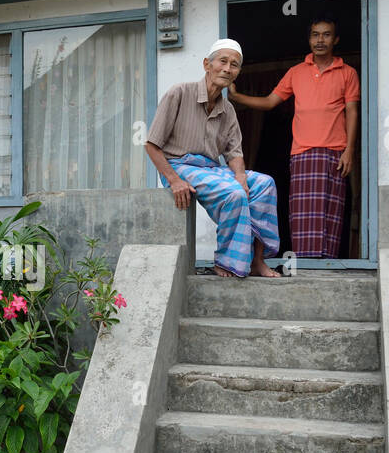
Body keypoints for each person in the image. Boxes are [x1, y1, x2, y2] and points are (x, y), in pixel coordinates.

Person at [144, 38, 281, 278]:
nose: (228, 68)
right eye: (223, 61)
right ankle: (226, 262)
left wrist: (240, 176)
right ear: (207, 64)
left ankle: (256, 261)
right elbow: (152, 145)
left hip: (211, 169)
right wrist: (174, 180)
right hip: (179, 166)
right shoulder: (180, 93)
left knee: (264, 184)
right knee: (233, 193)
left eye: (235, 65)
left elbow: (234, 152)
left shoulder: (227, 109)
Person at [229, 14, 360, 259]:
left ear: (336, 39)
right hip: (301, 154)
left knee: (331, 213)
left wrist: (350, 150)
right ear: (309, 39)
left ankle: (328, 264)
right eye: (315, 34)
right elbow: (269, 102)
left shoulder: (348, 72)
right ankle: (306, 264)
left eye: (326, 34)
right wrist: (237, 98)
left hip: (334, 153)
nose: (320, 40)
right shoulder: (296, 72)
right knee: (302, 213)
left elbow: (352, 111)